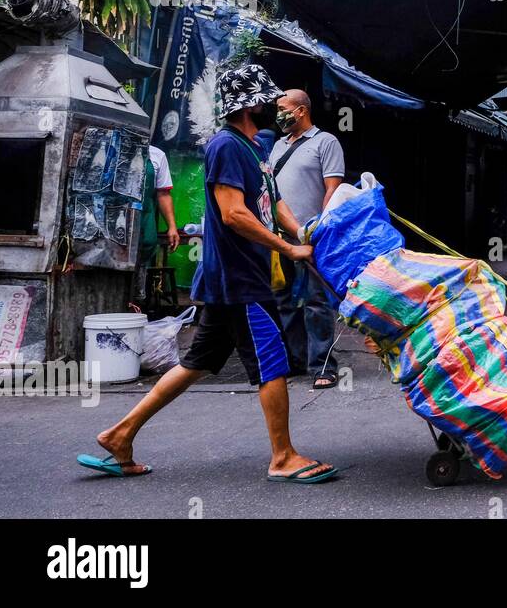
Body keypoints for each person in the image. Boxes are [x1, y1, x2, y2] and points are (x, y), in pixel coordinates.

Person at [77, 63, 335, 483]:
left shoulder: (256, 148)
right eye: (268, 101)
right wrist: (288, 248)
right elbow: (234, 214)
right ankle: (283, 456)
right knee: (271, 363)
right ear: (250, 104)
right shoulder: (226, 146)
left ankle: (119, 435)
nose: (274, 107)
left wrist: (307, 235)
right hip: (240, 279)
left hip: (236, 278)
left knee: (197, 362)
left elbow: (274, 202)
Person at [269, 89, 346, 389]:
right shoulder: (277, 146)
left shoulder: (325, 142)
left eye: (283, 108)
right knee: (284, 300)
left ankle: (323, 366)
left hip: (315, 236)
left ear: (301, 110)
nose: (278, 114)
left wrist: (319, 231)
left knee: (317, 301)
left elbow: (333, 189)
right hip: (281, 237)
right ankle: (295, 360)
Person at [133, 145, 181, 303]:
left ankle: (136, 306)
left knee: (137, 280)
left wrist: (172, 226)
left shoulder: (156, 154)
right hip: (110, 232)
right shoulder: (110, 145)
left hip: (142, 228)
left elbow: (163, 193)